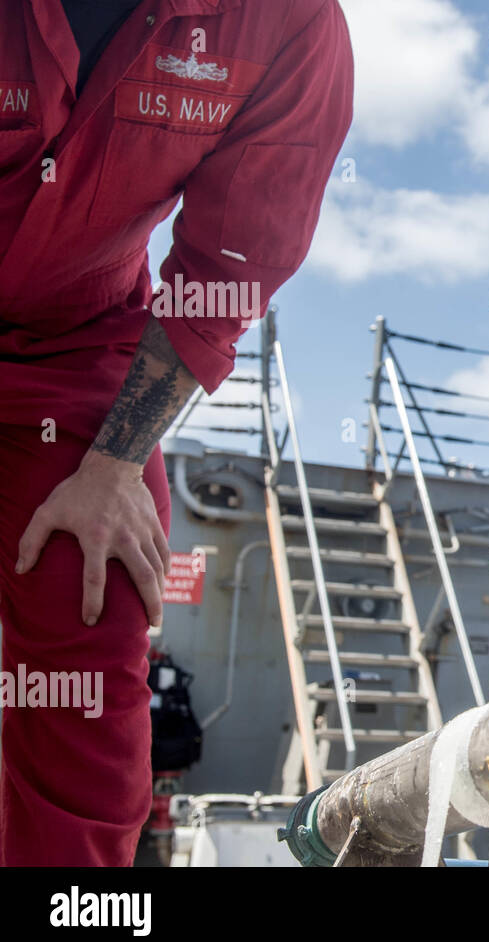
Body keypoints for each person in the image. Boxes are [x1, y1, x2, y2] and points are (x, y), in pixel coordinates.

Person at [0, 0, 353, 865]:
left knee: (92, 592)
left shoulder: (292, 25)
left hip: (76, 347)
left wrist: (113, 467)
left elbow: (228, 267)